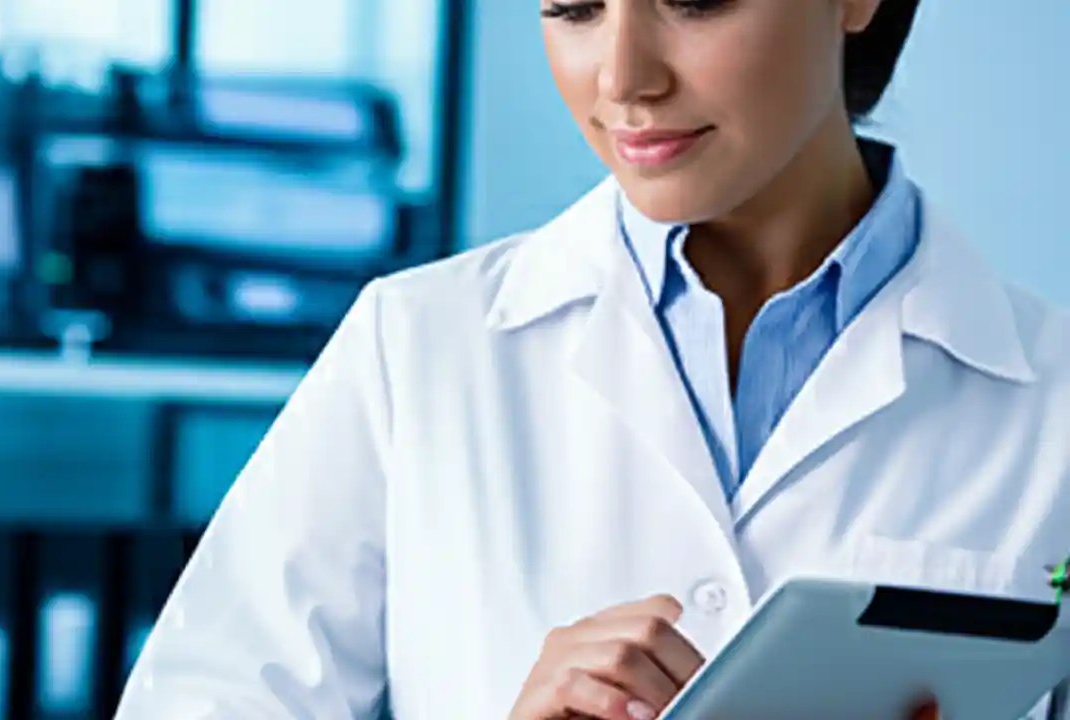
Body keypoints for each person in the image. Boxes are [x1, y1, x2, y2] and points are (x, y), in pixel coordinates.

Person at [116, 1, 1070, 718]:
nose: (622, 77)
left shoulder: (1052, 403)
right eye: (573, 6)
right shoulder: (417, 348)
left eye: (694, 1)